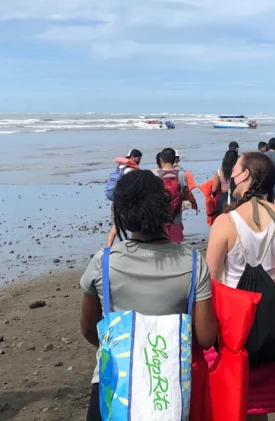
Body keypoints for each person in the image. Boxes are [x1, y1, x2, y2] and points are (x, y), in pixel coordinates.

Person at [80, 169, 218, 421]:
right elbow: (207, 338)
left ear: (121, 213)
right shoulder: (193, 262)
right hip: (169, 387)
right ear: (164, 206)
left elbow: (89, 329)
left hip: (113, 384)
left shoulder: (103, 262)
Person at [206, 152, 275, 420]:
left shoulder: (225, 222)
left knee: (236, 397)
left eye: (234, 170)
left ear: (244, 175)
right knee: (260, 404)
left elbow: (209, 280)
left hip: (234, 321)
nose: (231, 176)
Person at [154, 147, 198, 242]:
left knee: (162, 235)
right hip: (176, 209)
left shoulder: (156, 175)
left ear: (161, 160)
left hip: (161, 210)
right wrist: (185, 200)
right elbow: (185, 190)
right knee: (176, 231)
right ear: (174, 159)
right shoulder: (180, 174)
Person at [214, 142, 241, 215]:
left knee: (223, 217)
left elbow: (214, 189)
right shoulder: (239, 170)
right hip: (235, 196)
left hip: (223, 197)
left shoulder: (220, 171)